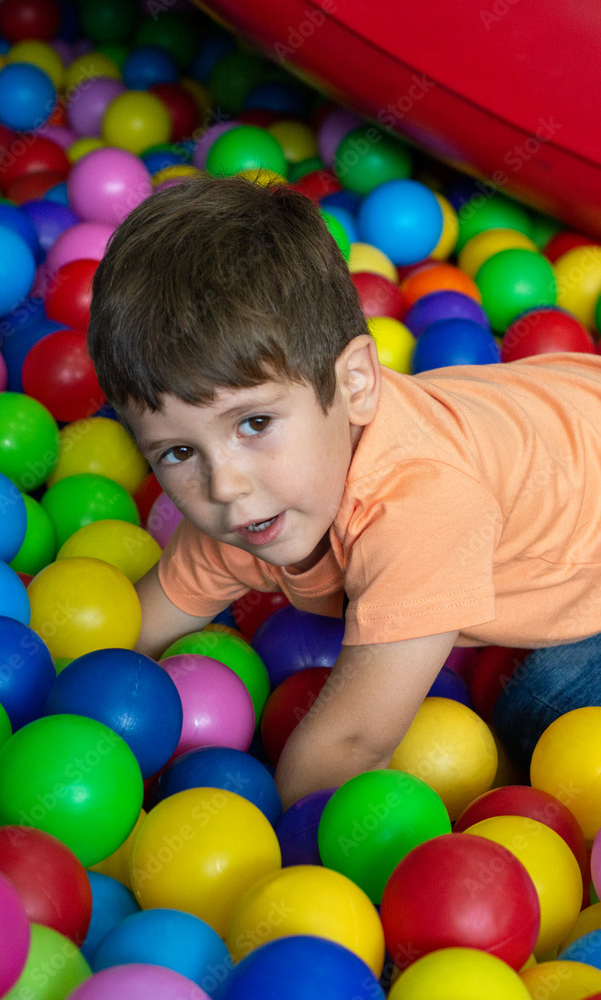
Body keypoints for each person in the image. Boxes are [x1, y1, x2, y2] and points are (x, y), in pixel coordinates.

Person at [88, 173, 601, 808]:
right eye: (178, 452)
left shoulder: (420, 505)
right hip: (559, 415)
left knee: (546, 707)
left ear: (356, 383)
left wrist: (262, 869)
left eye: (255, 423)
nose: (224, 485)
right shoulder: (250, 506)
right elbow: (123, 640)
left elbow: (354, 742)